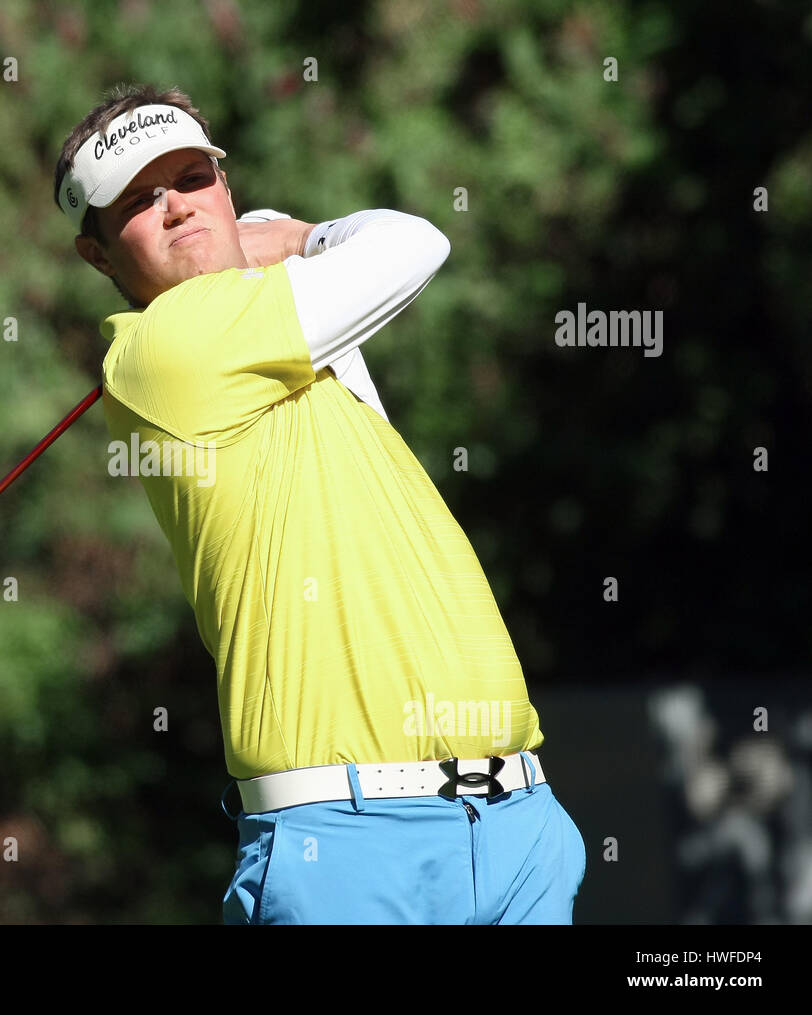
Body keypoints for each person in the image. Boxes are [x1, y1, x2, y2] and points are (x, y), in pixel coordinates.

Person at [53, 83, 586, 924]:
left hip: (514, 820)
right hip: (343, 840)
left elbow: (343, 297)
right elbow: (413, 242)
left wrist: (265, 245)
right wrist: (298, 236)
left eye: (194, 179)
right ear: (98, 254)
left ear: (227, 190)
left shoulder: (302, 347)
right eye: (140, 201)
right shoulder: (166, 351)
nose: (178, 209)